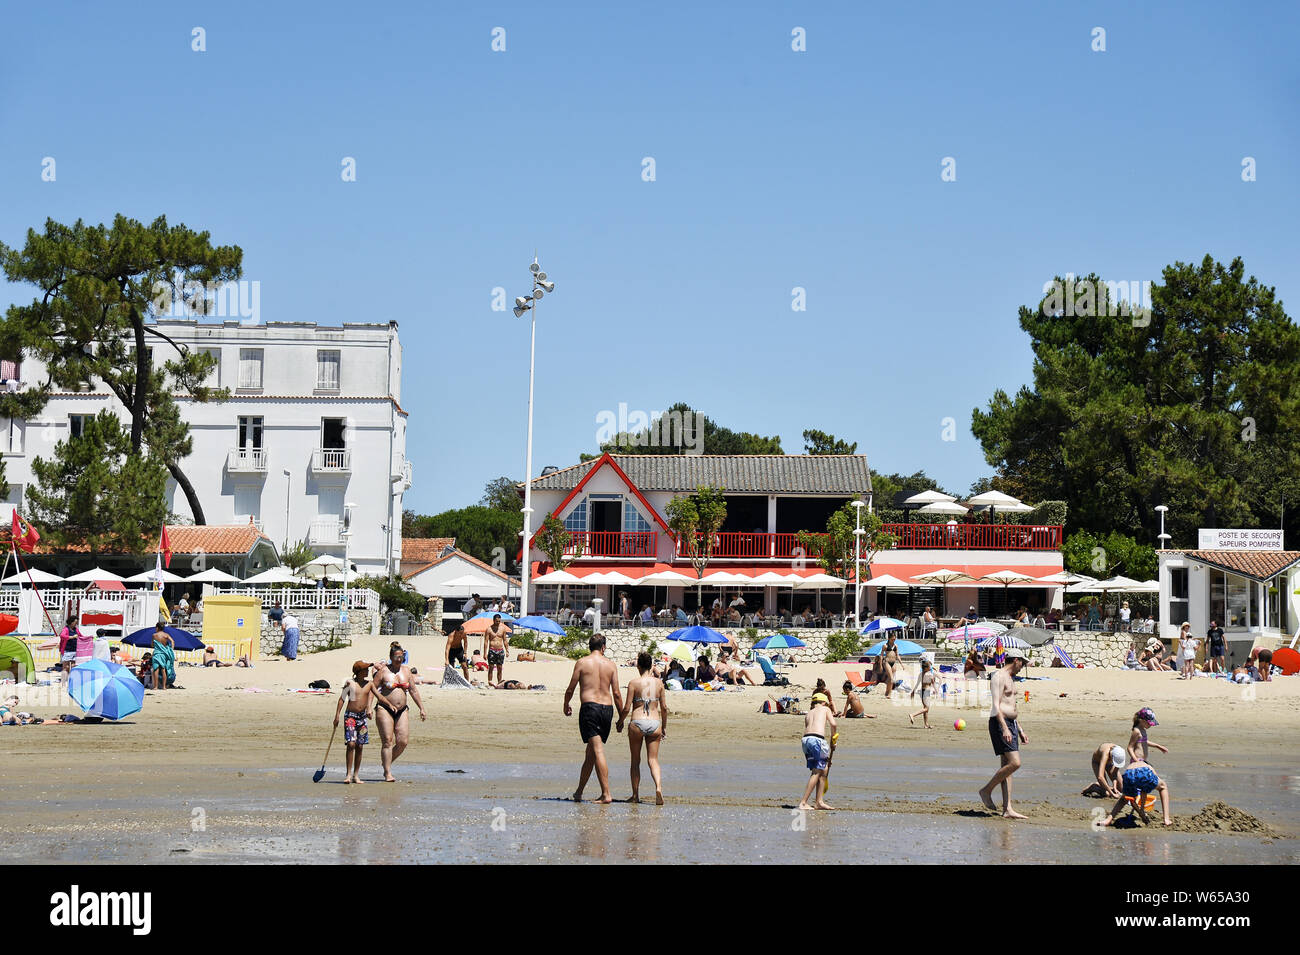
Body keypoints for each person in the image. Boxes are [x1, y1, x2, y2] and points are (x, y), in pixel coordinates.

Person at [563, 633, 625, 803]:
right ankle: (579, 792)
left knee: (597, 750)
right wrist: (621, 717)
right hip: (607, 709)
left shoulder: (582, 662)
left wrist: (566, 704)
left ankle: (606, 794)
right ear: (603, 647)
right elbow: (617, 693)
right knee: (591, 753)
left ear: (590, 647)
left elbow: (571, 688)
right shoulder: (611, 665)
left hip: (590, 708)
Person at [978, 647, 1029, 819]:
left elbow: (1011, 705)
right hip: (1001, 723)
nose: (1023, 666)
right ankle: (986, 790)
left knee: (1007, 768)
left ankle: (1007, 808)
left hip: (1010, 723)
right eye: (1022, 662)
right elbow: (996, 705)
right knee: (1015, 763)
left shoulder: (1011, 678)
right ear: (1016, 660)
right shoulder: (998, 676)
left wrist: (1019, 729)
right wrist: (1005, 727)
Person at [372, 642, 427, 781]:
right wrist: (368, 708)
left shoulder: (407, 671)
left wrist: (421, 707)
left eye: (401, 656)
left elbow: (413, 690)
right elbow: (372, 689)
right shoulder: (383, 671)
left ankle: (387, 762)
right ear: (391, 657)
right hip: (385, 708)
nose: (399, 659)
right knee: (387, 741)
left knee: (402, 741)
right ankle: (387, 772)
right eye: (396, 657)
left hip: (402, 710)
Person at [622, 651, 668, 804]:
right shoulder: (659, 683)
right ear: (651, 666)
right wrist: (665, 727)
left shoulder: (634, 683)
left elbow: (627, 707)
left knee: (635, 761)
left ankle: (635, 795)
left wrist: (620, 721)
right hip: (655, 723)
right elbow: (665, 708)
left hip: (637, 722)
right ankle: (659, 788)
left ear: (639, 666)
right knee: (653, 760)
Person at [1101, 753, 1173, 828]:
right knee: (1163, 787)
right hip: (1144, 771)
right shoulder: (1148, 766)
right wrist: (1142, 809)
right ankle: (1166, 819)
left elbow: (1133, 800)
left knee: (1124, 799)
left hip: (1128, 773)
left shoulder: (1134, 764)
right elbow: (1144, 791)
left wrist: (1141, 812)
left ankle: (1108, 820)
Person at [797, 680, 838, 811]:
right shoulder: (826, 709)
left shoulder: (809, 713)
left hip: (806, 740)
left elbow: (809, 729)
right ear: (824, 702)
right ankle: (803, 802)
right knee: (817, 771)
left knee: (824, 769)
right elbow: (833, 724)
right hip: (817, 740)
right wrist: (833, 741)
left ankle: (819, 801)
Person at [333, 661, 376, 784]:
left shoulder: (369, 684)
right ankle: (348, 774)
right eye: (365, 669)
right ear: (359, 671)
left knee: (360, 746)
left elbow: (375, 696)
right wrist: (337, 715)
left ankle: (356, 775)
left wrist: (372, 708)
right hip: (350, 717)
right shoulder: (350, 683)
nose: (367, 671)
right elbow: (342, 699)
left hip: (362, 718)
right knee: (351, 744)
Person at [483, 614, 510, 684]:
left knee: (500, 668)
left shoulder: (503, 629)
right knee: (491, 667)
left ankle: (499, 683)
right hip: (492, 650)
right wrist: (484, 653)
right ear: (493, 620)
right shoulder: (489, 629)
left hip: (500, 650)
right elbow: (486, 642)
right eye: (496, 621)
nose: (498, 622)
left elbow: (505, 640)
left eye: (499, 621)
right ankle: (490, 682)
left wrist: (507, 650)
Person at [909, 658, 936, 729]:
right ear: (926, 668)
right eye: (929, 666)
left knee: (925, 708)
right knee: (926, 709)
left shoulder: (921, 674)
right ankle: (913, 715)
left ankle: (926, 724)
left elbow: (917, 684)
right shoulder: (929, 674)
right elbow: (933, 683)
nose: (930, 667)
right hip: (926, 692)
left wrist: (913, 691)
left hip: (921, 692)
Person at [151, 622, 176, 690]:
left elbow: (152, 645)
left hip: (157, 653)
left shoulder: (154, 635)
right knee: (163, 669)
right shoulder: (166, 635)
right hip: (164, 654)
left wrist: (156, 644)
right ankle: (164, 686)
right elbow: (172, 641)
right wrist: (171, 649)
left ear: (157, 628)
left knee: (156, 669)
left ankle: (155, 687)